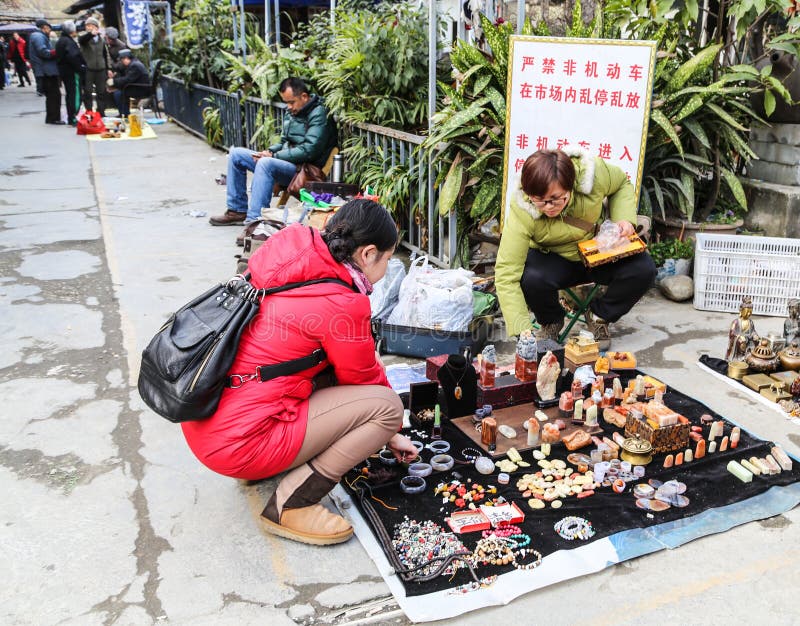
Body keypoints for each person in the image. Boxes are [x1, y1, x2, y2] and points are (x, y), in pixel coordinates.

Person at [181, 199, 413, 545]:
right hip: (238, 443)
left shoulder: (290, 258)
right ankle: (292, 503)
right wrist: (392, 431)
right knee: (387, 408)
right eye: (388, 258)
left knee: (343, 377)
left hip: (207, 420)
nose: (387, 268)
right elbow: (363, 377)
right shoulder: (342, 300)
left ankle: (266, 463)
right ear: (367, 255)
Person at [495, 148, 657, 349]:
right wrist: (522, 331)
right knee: (529, 277)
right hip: (554, 259)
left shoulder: (593, 174)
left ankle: (599, 316)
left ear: (571, 185)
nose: (548, 207)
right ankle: (551, 321)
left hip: (597, 249)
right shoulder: (523, 208)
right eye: (539, 200)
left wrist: (623, 218)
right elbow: (506, 273)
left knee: (643, 269)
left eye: (556, 198)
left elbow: (621, 184)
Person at [209, 77, 337, 245]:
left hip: (305, 171)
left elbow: (310, 150)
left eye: (292, 102)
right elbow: (284, 141)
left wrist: (273, 157)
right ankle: (237, 210)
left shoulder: (319, 113)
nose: (289, 107)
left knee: (266, 164)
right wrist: (270, 151)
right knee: (236, 154)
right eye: (286, 103)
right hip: (287, 163)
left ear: (304, 97)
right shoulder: (292, 112)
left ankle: (255, 224)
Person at [29, 20, 63, 124]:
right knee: (54, 95)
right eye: (49, 28)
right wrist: (57, 52)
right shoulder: (38, 37)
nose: (50, 30)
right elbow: (44, 52)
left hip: (46, 70)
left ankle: (51, 118)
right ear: (44, 27)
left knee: (53, 96)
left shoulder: (37, 36)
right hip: (47, 71)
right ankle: (54, 118)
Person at [55, 21, 86, 126]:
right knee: (75, 95)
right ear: (71, 31)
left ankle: (71, 116)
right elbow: (73, 57)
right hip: (72, 72)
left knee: (69, 95)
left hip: (64, 71)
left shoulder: (61, 41)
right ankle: (73, 117)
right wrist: (81, 67)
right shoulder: (68, 42)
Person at [78, 17, 109, 116]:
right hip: (88, 69)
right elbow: (82, 40)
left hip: (101, 68)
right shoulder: (84, 37)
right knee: (88, 92)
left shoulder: (101, 39)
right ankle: (89, 112)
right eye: (87, 25)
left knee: (101, 92)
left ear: (96, 26)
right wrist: (90, 35)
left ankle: (101, 112)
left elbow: (105, 54)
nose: (88, 27)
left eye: (90, 25)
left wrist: (109, 68)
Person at [109, 49, 148, 116]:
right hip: (139, 87)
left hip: (142, 89)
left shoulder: (134, 66)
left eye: (122, 60)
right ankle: (124, 113)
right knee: (120, 91)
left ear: (126, 58)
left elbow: (127, 79)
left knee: (118, 93)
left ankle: (124, 113)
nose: (122, 62)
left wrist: (113, 82)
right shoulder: (134, 63)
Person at [726, 296, 759, 362]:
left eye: (750, 312)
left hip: (749, 339)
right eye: (747, 312)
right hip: (740, 340)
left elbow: (753, 331)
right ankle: (740, 358)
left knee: (757, 341)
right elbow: (732, 333)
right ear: (741, 311)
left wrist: (755, 335)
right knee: (741, 342)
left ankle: (750, 356)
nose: (749, 314)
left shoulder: (750, 322)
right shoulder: (736, 322)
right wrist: (739, 336)